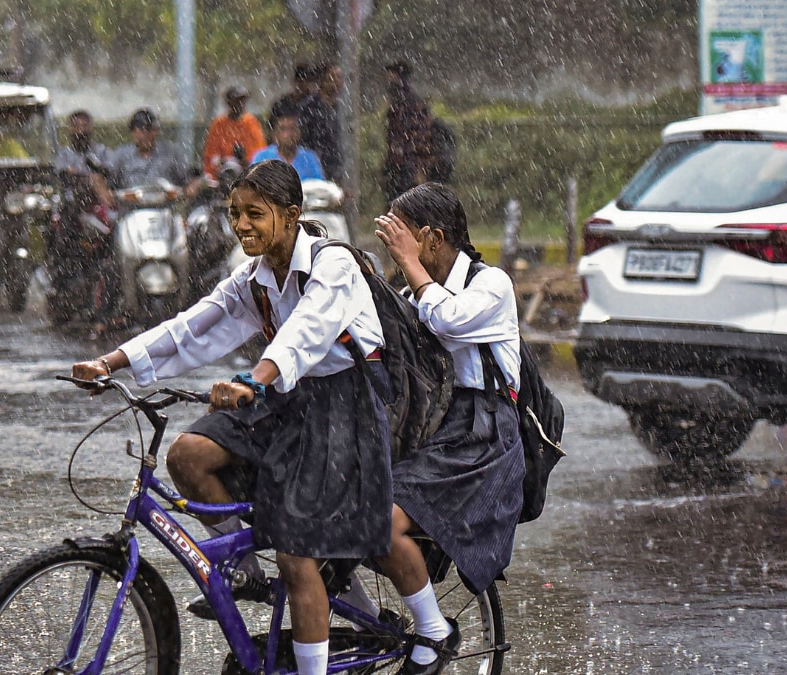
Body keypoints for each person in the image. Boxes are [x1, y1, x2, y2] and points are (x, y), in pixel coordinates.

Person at [71, 160, 407, 675]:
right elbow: (189, 328)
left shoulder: (332, 265)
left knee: (298, 549)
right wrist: (109, 362)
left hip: (346, 405)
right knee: (188, 456)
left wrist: (255, 379)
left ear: (292, 216)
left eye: (255, 213)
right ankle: (243, 571)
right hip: (287, 398)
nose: (241, 224)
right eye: (234, 214)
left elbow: (307, 332)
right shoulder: (252, 279)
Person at [373, 182, 524, 675]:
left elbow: (448, 322)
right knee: (341, 501)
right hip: (430, 426)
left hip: (480, 433)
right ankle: (371, 619)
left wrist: (410, 268)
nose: (394, 247)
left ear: (433, 239)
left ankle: (434, 632)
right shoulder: (410, 289)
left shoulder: (491, 285)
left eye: (402, 237)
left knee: (383, 519)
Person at [382, 61, 455, 202]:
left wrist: (417, 168)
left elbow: (413, 140)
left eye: (391, 76)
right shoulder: (404, 104)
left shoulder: (406, 105)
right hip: (402, 169)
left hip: (405, 170)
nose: (388, 81)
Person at [107, 108, 200, 197]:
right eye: (141, 130)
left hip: (166, 209)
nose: (146, 135)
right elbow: (103, 178)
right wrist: (106, 193)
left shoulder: (171, 152)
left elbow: (191, 176)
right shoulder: (121, 155)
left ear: (156, 131)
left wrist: (192, 187)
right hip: (131, 210)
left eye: (150, 130)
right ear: (133, 132)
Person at [201, 86, 267, 179]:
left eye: (242, 100)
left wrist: (244, 161)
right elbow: (211, 156)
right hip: (222, 175)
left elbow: (259, 152)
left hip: (248, 175)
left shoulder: (251, 122)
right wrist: (224, 161)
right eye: (236, 100)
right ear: (228, 103)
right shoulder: (218, 124)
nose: (239, 104)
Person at [299, 64, 344, 183]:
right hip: (315, 167)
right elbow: (304, 138)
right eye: (332, 78)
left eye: (340, 77)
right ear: (322, 81)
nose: (337, 82)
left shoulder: (339, 107)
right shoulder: (309, 107)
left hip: (335, 167)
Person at [251, 112, 326, 181]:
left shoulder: (309, 157)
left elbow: (319, 185)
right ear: (274, 134)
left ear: (299, 132)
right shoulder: (262, 157)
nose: (288, 134)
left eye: (293, 128)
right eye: (282, 129)